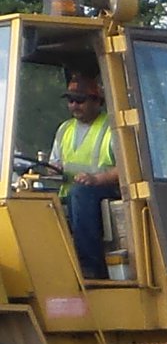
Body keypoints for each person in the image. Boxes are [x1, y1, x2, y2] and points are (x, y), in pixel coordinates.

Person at [51, 71, 119, 279]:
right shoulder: (65, 129)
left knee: (81, 193)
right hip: (70, 193)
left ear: (97, 101)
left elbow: (128, 168)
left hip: (105, 191)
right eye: (70, 100)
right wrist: (52, 169)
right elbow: (54, 163)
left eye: (79, 100)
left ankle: (90, 267)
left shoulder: (112, 128)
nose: (74, 105)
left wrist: (96, 179)